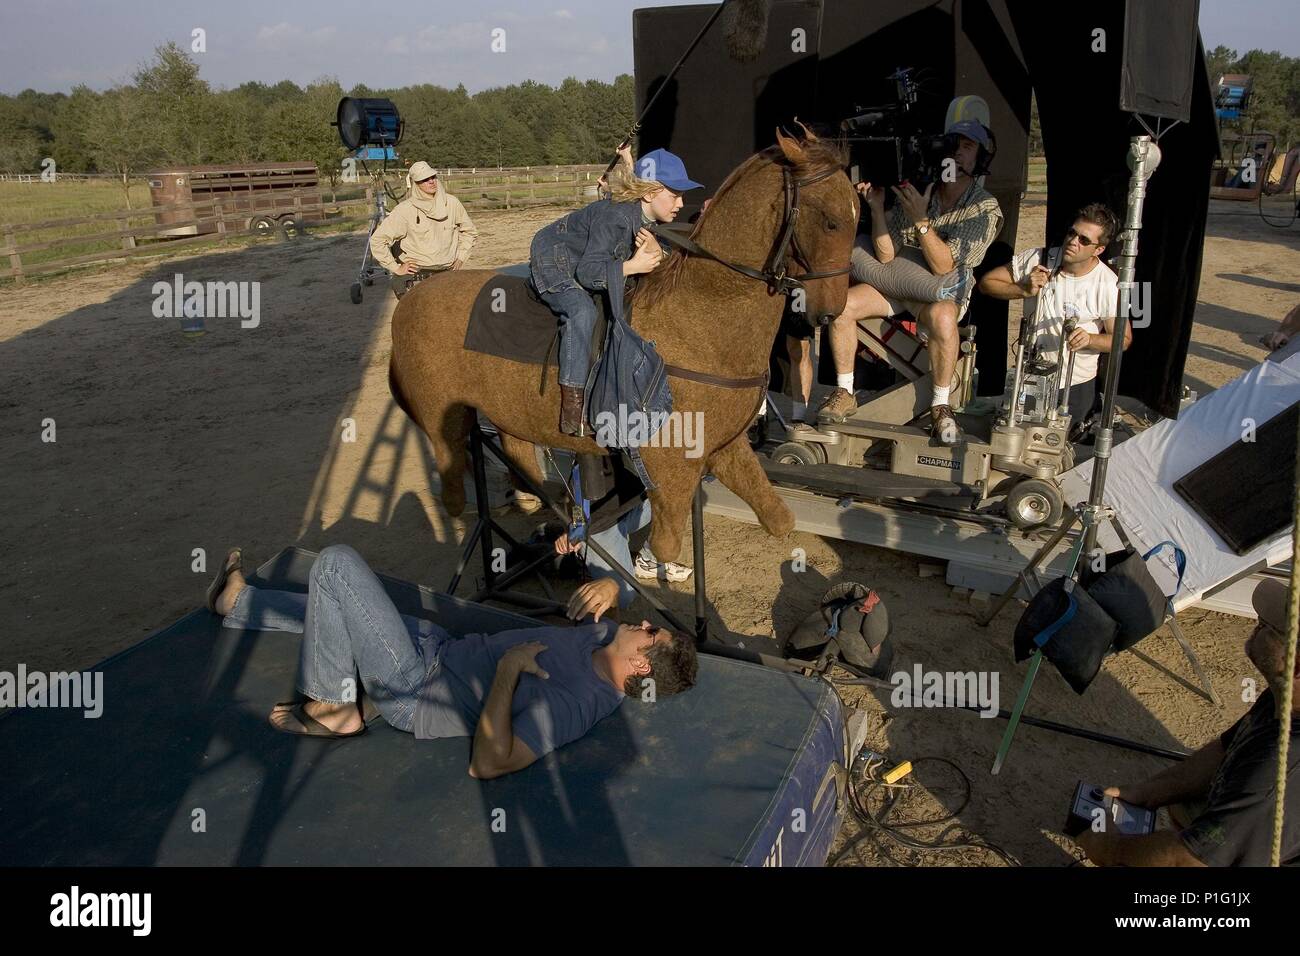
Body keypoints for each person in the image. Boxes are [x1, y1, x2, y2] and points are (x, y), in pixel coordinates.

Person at [205, 545, 698, 778]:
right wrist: (612, 582)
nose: (644, 625)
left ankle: (334, 708)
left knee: (335, 566)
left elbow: (488, 764)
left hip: (414, 689)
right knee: (343, 608)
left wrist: (508, 670)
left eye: (651, 634)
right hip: (433, 645)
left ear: (639, 669)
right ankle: (239, 603)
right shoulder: (606, 637)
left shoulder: (573, 705)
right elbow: (615, 600)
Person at [1075, 579, 1299, 866]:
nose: (1257, 624)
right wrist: (1146, 793)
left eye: (1269, 626)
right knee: (1185, 807)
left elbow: (1184, 860)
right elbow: (1224, 750)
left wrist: (1110, 849)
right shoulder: (1286, 696)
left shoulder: (1278, 773)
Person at [816, 119, 1004, 446]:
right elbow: (887, 256)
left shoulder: (984, 207)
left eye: (967, 146)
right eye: (953, 143)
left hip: (938, 293)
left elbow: (944, 264)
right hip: (901, 282)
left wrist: (921, 222)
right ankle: (844, 392)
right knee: (841, 306)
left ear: (980, 159)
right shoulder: (919, 190)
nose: (957, 152)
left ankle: (941, 405)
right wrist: (876, 210)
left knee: (944, 316)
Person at [529, 148, 702, 435]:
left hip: (582, 256)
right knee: (581, 310)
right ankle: (574, 405)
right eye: (674, 195)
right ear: (648, 194)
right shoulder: (616, 217)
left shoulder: (649, 217)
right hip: (555, 258)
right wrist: (631, 266)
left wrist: (661, 253)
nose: (681, 203)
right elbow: (588, 273)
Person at [978, 203, 1130, 438]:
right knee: (1021, 443)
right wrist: (1023, 289)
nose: (1073, 241)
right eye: (1072, 233)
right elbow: (987, 283)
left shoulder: (1108, 283)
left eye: (1084, 240)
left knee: (1059, 450)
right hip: (1030, 376)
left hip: (1075, 385)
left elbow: (1123, 339)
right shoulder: (1039, 258)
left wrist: (1089, 339)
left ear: (1098, 250)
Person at [369, 161, 478, 299]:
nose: (431, 181)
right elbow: (378, 240)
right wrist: (396, 267)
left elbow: (469, 232)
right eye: (424, 180)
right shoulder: (405, 210)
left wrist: (461, 257)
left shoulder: (452, 203)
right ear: (416, 183)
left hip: (447, 271)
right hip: (416, 274)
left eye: (433, 177)